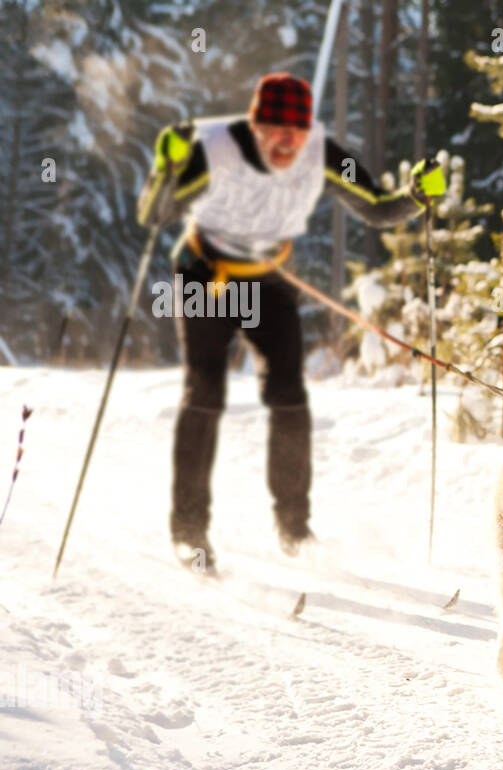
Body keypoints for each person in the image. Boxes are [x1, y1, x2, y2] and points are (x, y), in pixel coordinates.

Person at [137, 73, 445, 569]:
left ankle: (294, 529)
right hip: (204, 272)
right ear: (254, 124)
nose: (285, 141)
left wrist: (415, 194)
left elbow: (380, 209)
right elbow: (156, 215)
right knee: (205, 392)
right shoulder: (215, 148)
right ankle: (189, 533)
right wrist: (165, 168)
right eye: (274, 128)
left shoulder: (325, 155)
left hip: (266, 275)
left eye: (295, 130)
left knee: (289, 396)